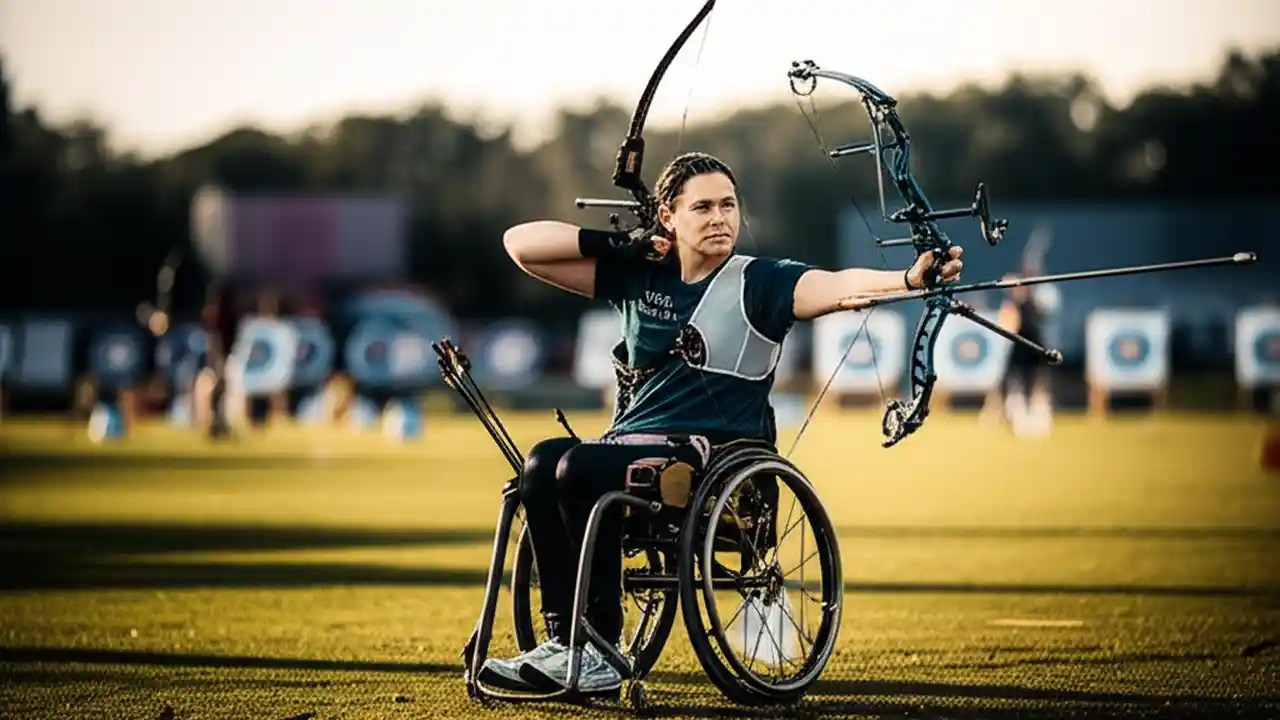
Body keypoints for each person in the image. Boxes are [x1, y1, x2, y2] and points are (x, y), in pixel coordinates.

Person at [481, 152, 963, 695]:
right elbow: (520, 245)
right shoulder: (639, 275)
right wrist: (621, 245)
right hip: (630, 446)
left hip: (707, 456)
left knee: (578, 467)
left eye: (728, 205)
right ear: (667, 216)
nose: (720, 218)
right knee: (543, 461)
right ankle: (564, 641)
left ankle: (600, 648)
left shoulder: (759, 281)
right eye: (703, 207)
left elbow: (835, 286)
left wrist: (907, 277)